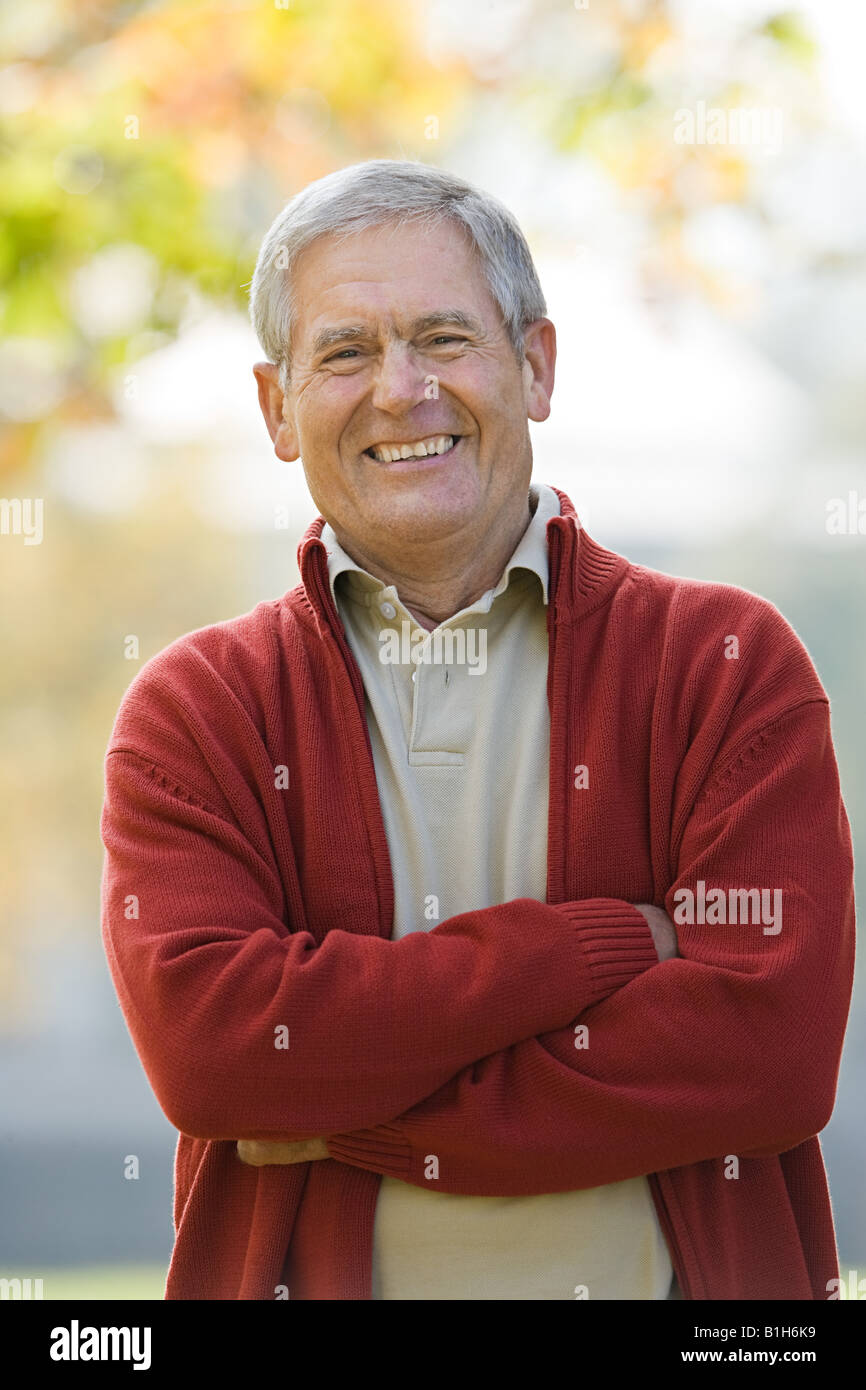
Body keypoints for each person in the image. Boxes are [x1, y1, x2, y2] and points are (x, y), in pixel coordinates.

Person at [99, 159, 855, 1300]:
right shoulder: (199, 709)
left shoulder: (722, 667)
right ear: (276, 409)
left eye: (444, 338)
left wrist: (334, 1118)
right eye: (346, 351)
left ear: (534, 367)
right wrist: (588, 949)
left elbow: (767, 1061)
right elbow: (219, 1057)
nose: (402, 390)